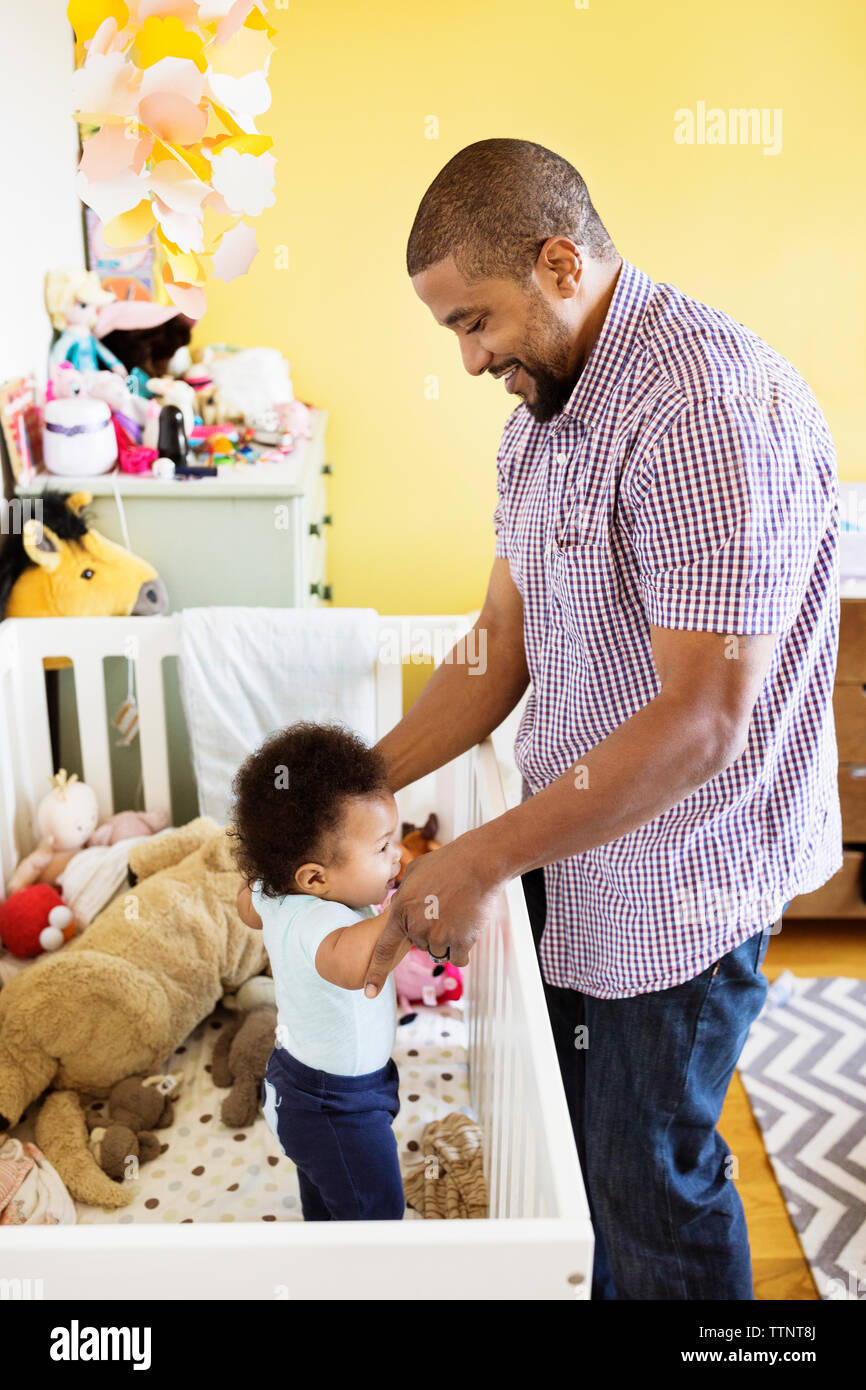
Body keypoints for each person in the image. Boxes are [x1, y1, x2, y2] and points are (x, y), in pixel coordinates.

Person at [363, 138, 841, 1297]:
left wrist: (475, 857)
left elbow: (699, 722)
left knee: (651, 1183)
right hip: (574, 854)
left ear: (559, 262)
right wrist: (361, 783)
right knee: (588, 1165)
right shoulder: (541, 419)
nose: (470, 360)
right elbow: (497, 646)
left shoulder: (704, 409)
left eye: (474, 322)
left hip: (680, 880)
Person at [231, 722, 409, 1221]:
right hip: (335, 1107)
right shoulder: (319, 918)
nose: (396, 854)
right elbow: (356, 965)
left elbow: (247, 904)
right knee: (375, 1217)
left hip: (305, 1084)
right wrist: (411, 914)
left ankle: (324, 1253)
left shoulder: (274, 894)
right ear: (315, 878)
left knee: (330, 1203)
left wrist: (262, 869)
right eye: (382, 848)